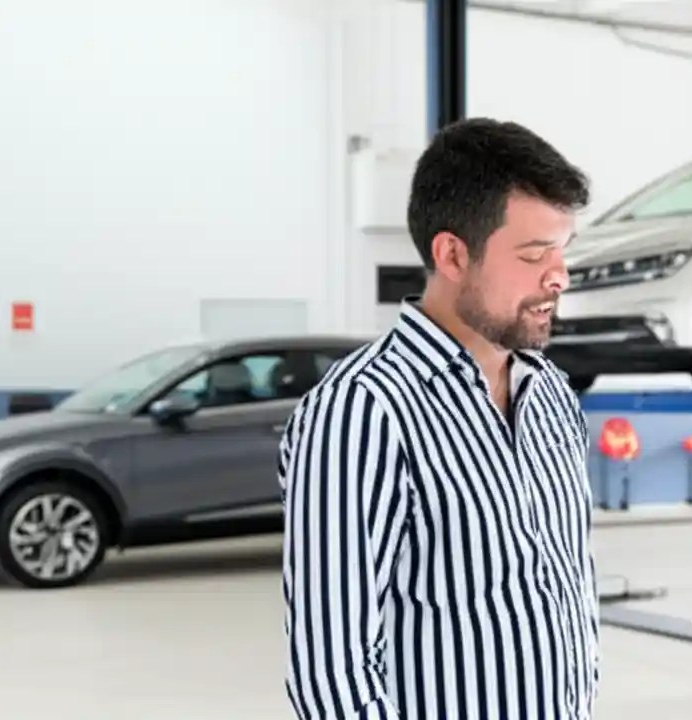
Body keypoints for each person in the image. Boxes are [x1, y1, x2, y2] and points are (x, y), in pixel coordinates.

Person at [278, 118, 599, 720]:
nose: (559, 276)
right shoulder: (363, 411)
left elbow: (568, 594)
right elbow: (331, 673)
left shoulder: (552, 395)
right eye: (534, 254)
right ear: (452, 254)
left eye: (563, 250)